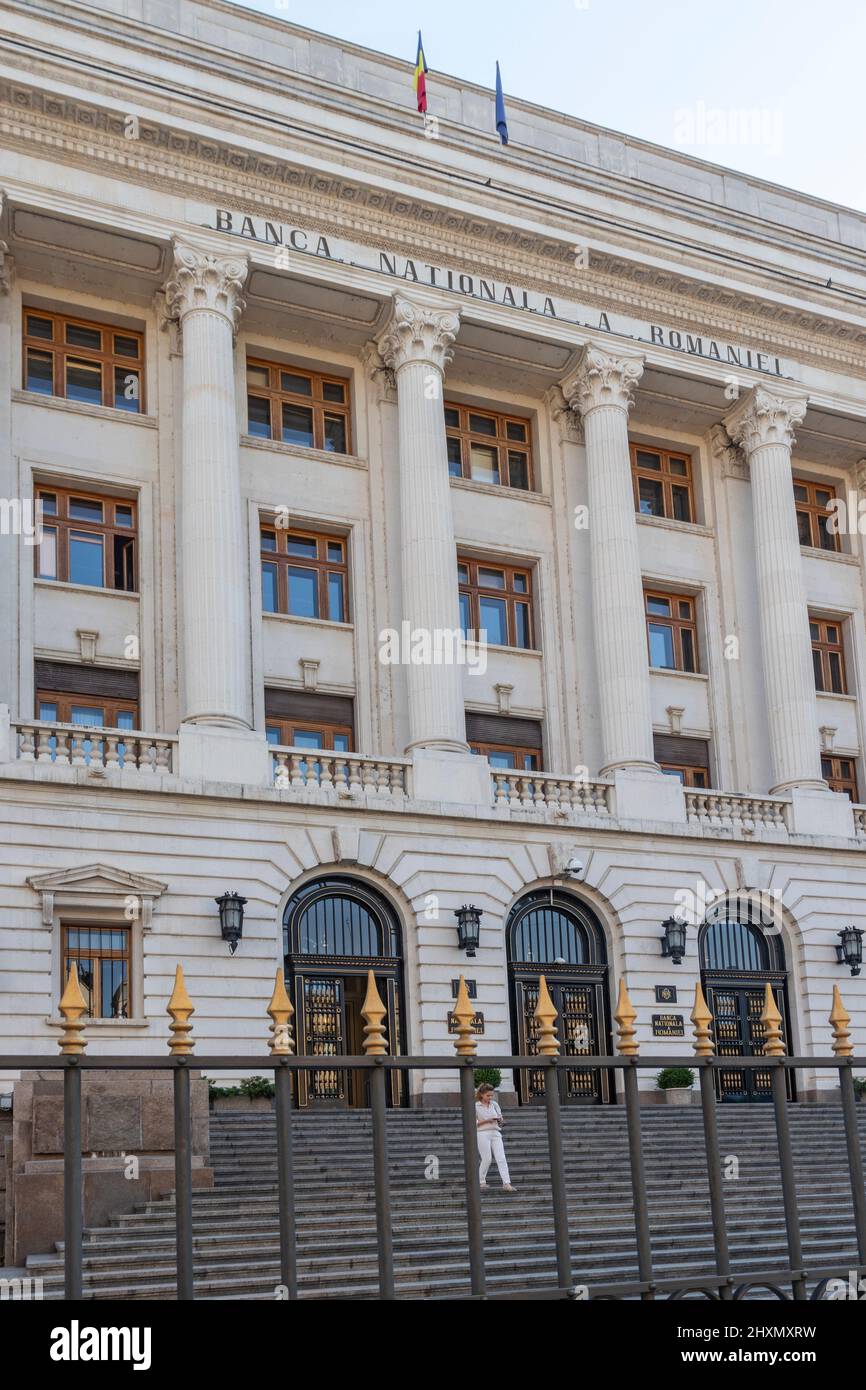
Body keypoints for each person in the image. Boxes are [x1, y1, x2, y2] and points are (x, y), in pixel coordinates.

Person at [475, 1082, 515, 1191]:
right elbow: (474, 1123)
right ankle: (481, 1181)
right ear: (481, 1094)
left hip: (496, 1132)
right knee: (486, 1159)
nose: (490, 1097)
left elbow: (500, 1118)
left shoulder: (495, 1105)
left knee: (501, 1158)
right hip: (482, 1133)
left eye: (491, 1095)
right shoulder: (476, 1106)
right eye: (488, 1095)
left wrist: (501, 1121)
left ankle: (506, 1183)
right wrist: (487, 1120)